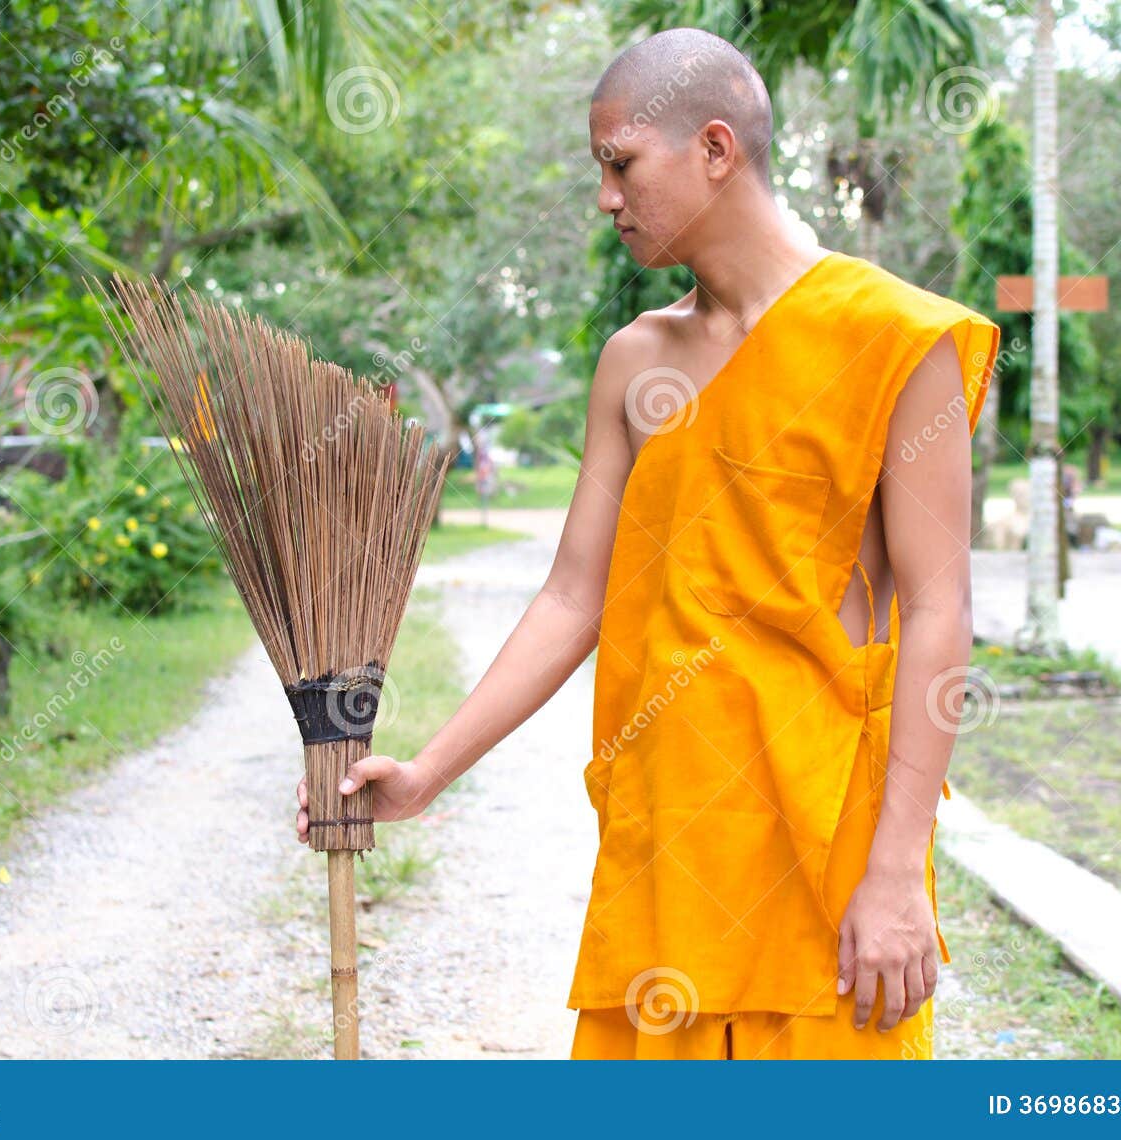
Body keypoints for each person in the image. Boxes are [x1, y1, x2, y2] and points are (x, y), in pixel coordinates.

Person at [296, 27, 999, 1060]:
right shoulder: (635, 363)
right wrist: (430, 771)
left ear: (715, 149)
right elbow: (571, 599)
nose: (606, 199)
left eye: (619, 164)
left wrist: (896, 872)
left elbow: (941, 613)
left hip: (825, 854)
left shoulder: (896, 341)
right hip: (665, 840)